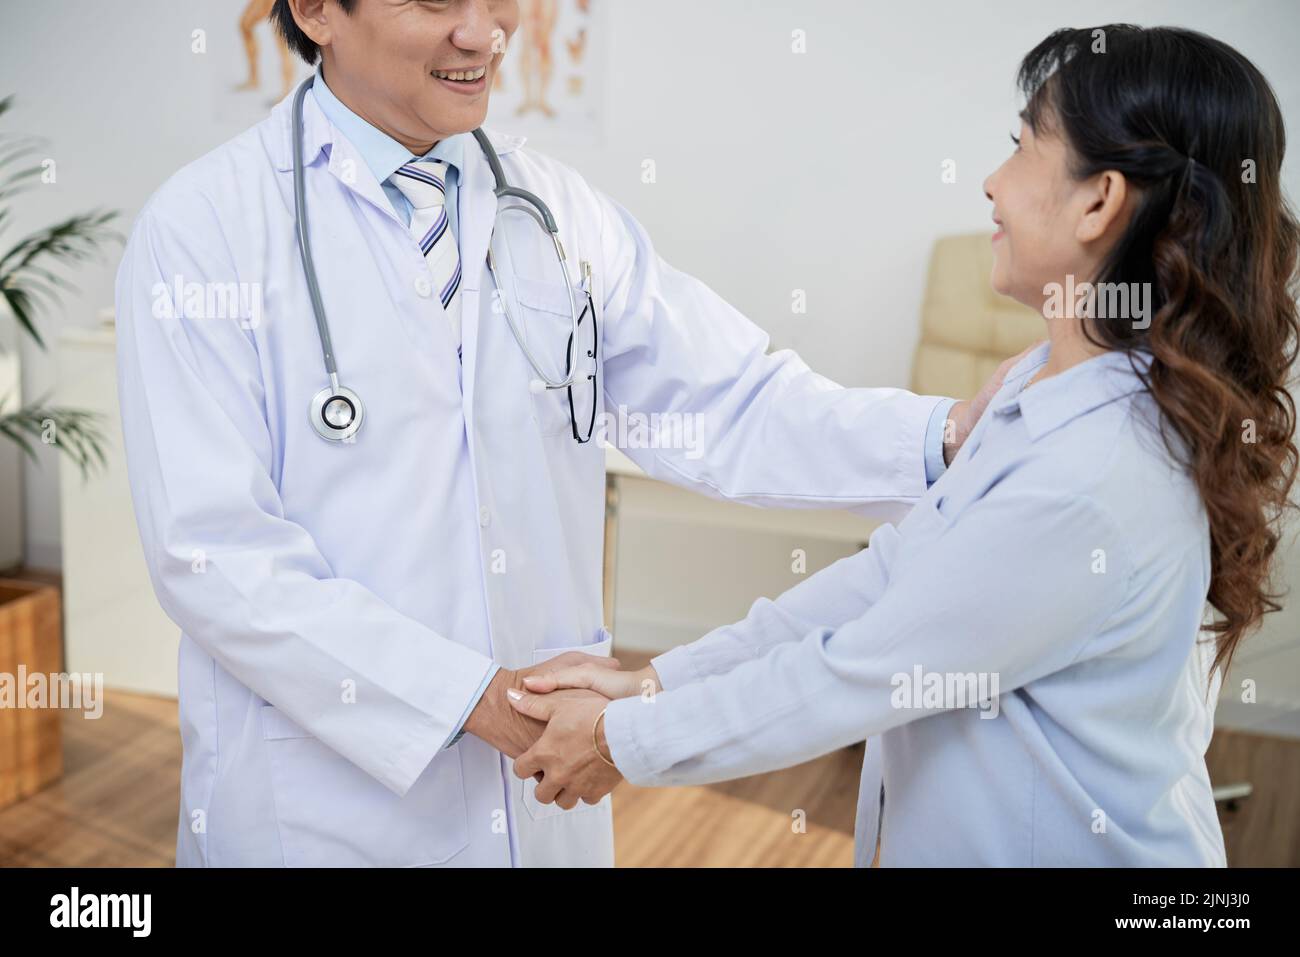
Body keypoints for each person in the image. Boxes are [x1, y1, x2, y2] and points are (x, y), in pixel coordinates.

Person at [113, 0, 1001, 867]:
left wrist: (942, 433)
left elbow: (730, 398)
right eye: (434, 1)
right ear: (315, 11)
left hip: (539, 790)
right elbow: (217, 556)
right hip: (326, 804)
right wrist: (469, 698)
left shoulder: (552, 209)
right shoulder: (204, 232)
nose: (482, 31)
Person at [510, 24, 1300, 866]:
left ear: (1100, 201)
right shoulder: (1046, 382)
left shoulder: (1093, 479)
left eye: (1023, 147)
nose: (992, 184)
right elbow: (886, 579)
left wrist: (619, 737)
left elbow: (853, 671)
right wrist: (653, 680)